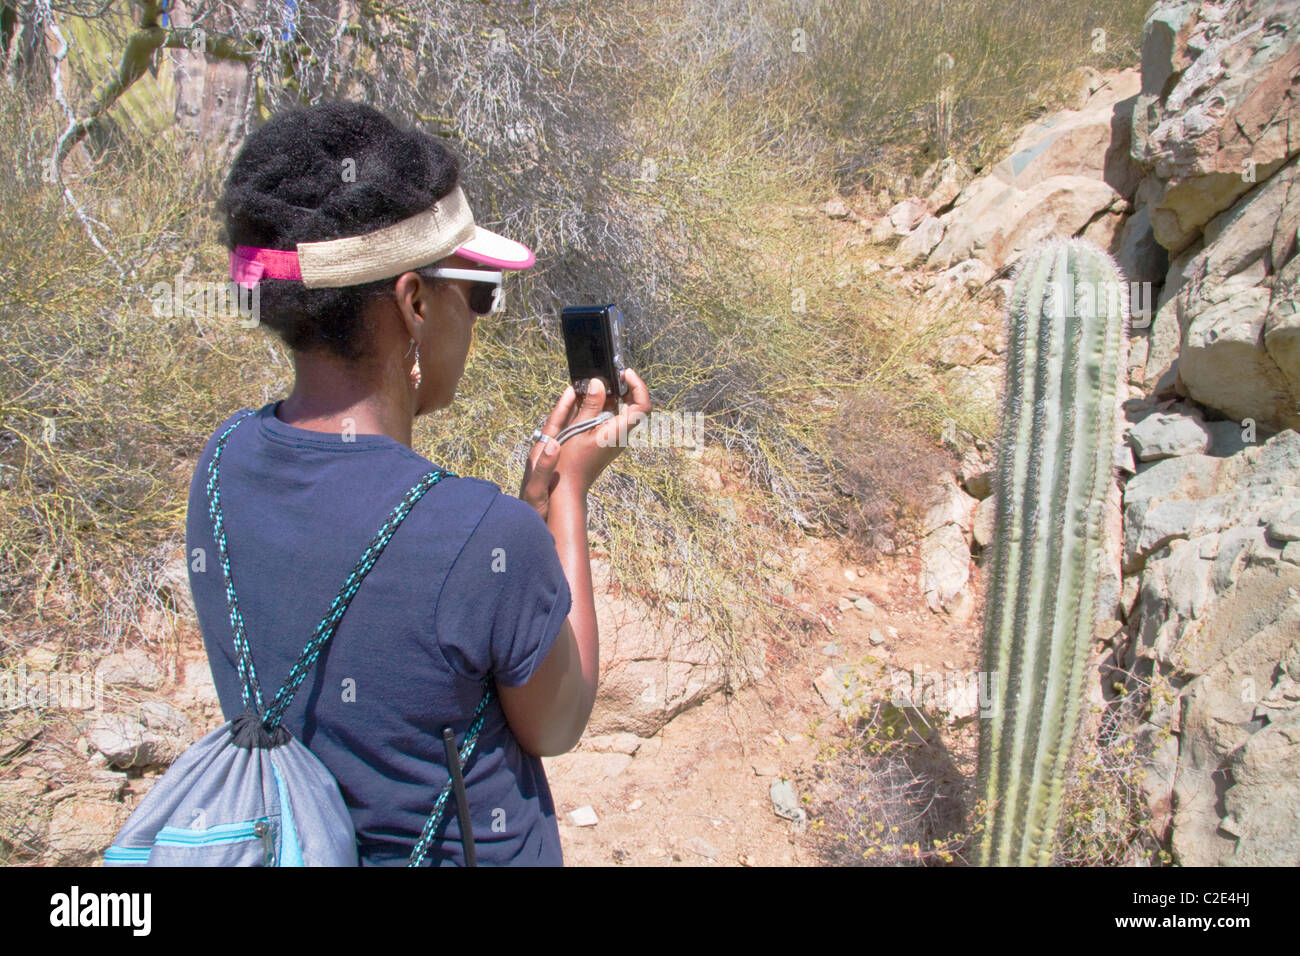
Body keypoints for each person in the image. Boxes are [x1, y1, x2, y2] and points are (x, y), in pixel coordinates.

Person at [185, 101, 651, 866]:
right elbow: (559, 720)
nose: (478, 319)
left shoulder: (221, 463)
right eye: (478, 295)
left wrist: (527, 507)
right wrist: (567, 496)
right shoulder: (474, 533)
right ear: (413, 303)